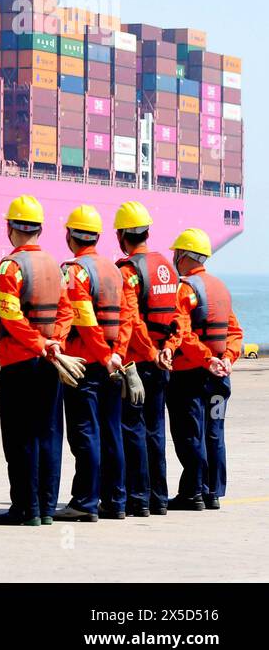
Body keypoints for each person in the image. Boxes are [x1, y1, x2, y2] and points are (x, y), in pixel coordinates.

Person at [0, 195, 77, 526]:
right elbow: (67, 312)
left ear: (10, 228)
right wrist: (55, 343)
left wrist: (41, 344)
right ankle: (46, 508)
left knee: (20, 436)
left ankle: (26, 509)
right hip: (51, 364)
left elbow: (11, 317)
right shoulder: (55, 267)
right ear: (39, 229)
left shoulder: (10, 267)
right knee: (49, 434)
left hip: (19, 364)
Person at [52, 205, 134, 523]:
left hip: (84, 364)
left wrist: (102, 356)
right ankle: (116, 500)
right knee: (112, 431)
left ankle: (85, 501)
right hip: (113, 363)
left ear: (70, 236)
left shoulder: (75, 271)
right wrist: (117, 355)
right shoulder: (115, 270)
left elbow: (84, 319)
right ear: (98, 236)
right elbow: (128, 317)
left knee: (85, 432)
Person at [166, 228, 243, 511]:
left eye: (176, 253)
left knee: (190, 434)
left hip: (190, 376)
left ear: (183, 256)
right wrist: (228, 359)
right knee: (214, 431)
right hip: (220, 379)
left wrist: (206, 359)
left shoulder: (185, 289)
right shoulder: (220, 288)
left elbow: (183, 333)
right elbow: (235, 331)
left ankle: (192, 493)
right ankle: (213, 492)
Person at [113, 201, 179, 516]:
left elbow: (131, 321)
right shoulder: (167, 265)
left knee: (133, 429)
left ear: (123, 234)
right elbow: (178, 317)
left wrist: (150, 353)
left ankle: (138, 499)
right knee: (155, 429)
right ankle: (160, 499)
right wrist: (169, 349)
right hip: (163, 363)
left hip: (139, 364)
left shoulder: (129, 271)